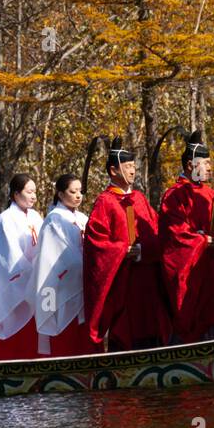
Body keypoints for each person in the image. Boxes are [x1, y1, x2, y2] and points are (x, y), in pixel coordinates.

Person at [83, 137, 171, 352]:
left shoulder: (139, 198)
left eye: (134, 166)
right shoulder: (105, 202)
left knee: (152, 323)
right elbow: (96, 243)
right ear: (114, 171)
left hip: (147, 277)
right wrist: (122, 251)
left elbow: (156, 232)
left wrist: (143, 251)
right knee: (127, 328)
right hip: (124, 279)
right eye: (128, 166)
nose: (133, 171)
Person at [160, 131, 214, 343]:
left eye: (209, 163)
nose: (209, 168)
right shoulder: (174, 196)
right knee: (198, 317)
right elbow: (174, 236)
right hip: (195, 273)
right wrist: (202, 241)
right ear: (190, 166)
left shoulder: (211, 195)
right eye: (205, 163)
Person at [30, 173, 96, 357]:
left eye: (80, 191)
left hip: (84, 286)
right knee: (65, 337)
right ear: (60, 194)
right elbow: (54, 259)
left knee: (84, 339)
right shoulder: (54, 220)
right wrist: (86, 266)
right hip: (62, 290)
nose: (78, 196)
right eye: (72, 191)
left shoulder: (82, 218)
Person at [0, 172, 44, 360]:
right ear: (16, 194)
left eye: (35, 192)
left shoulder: (35, 216)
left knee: (34, 338)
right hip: (16, 287)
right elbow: (8, 258)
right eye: (29, 191)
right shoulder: (6, 219)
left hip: (34, 282)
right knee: (16, 337)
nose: (33, 196)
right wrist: (31, 275)